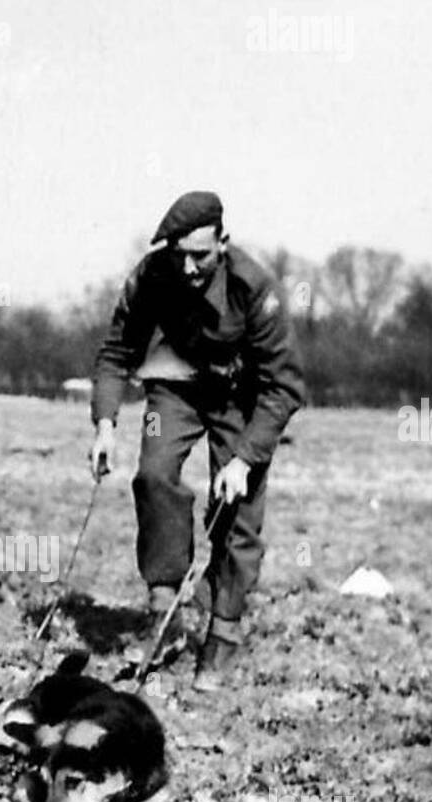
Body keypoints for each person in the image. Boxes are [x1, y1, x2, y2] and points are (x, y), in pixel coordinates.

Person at [89, 190, 305, 691]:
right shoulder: (151, 275)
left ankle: (222, 636)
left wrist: (245, 458)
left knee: (238, 509)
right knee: (153, 472)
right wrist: (104, 423)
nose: (188, 269)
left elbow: (285, 386)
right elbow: (118, 351)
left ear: (222, 244)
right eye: (180, 256)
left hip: (242, 398)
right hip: (176, 390)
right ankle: (163, 611)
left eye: (201, 257)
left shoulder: (255, 288)